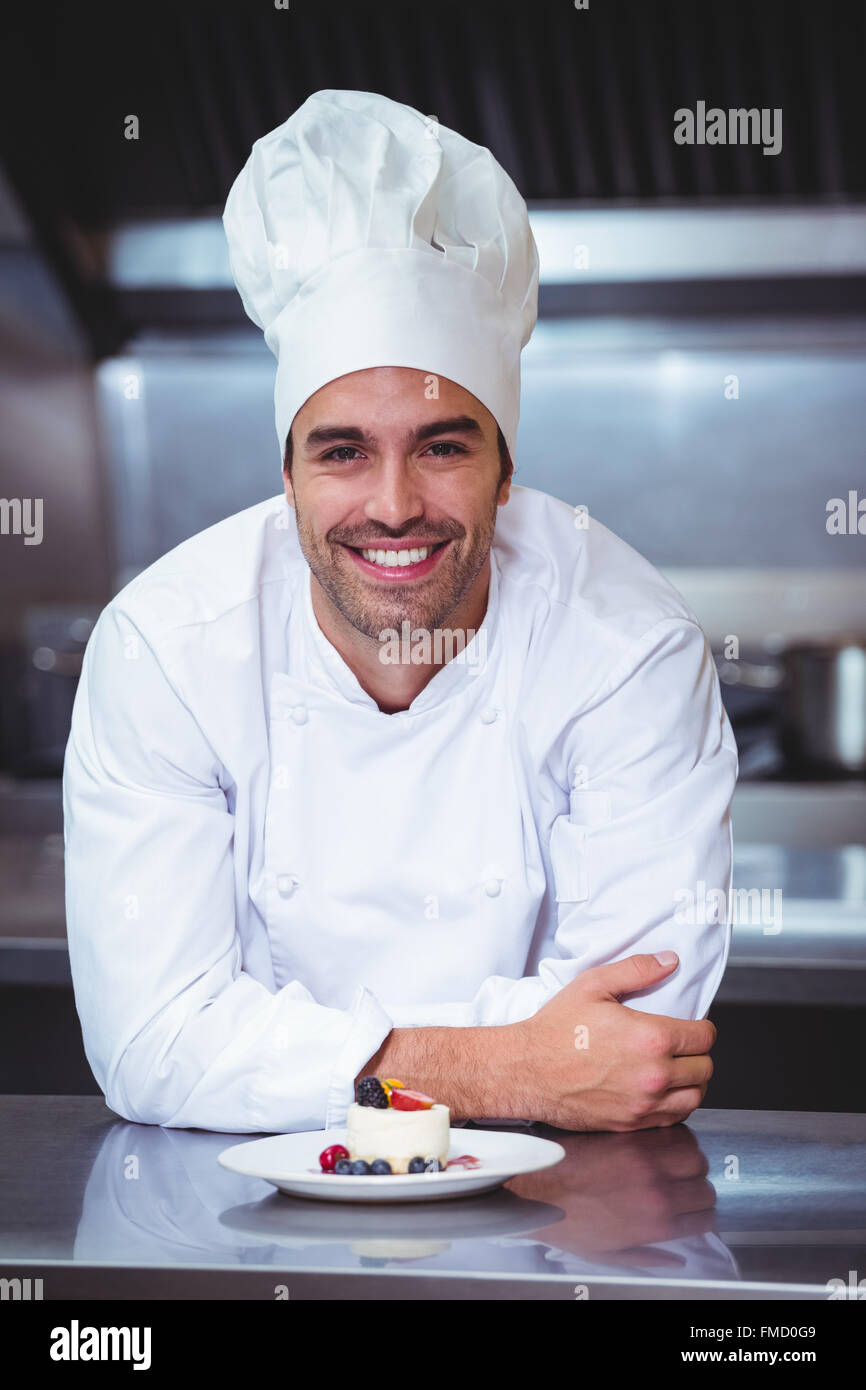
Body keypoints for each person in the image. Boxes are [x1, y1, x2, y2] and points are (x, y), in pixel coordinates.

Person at [62, 90, 737, 1135]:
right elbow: (151, 1044)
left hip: (554, 1226)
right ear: (284, 475)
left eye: (441, 445)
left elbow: (636, 1043)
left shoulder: (625, 643)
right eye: (342, 451)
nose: (391, 506)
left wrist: (269, 1051)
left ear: (504, 471)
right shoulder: (166, 647)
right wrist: (510, 1065)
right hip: (240, 1233)